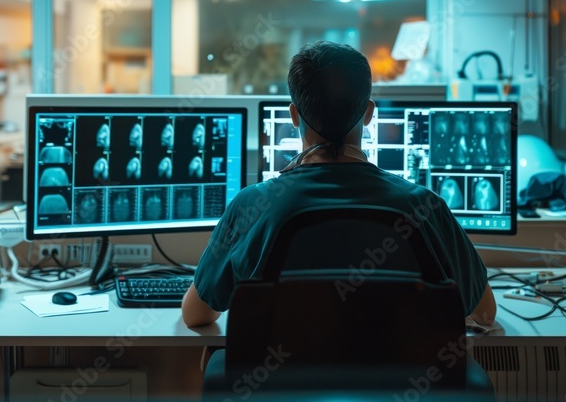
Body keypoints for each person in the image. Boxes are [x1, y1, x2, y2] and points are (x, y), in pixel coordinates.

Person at [182, 41, 496, 328]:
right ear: (370, 113)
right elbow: (484, 314)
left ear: (294, 116)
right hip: (395, 388)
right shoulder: (423, 205)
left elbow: (197, 315)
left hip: (282, 387)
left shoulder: (253, 205)